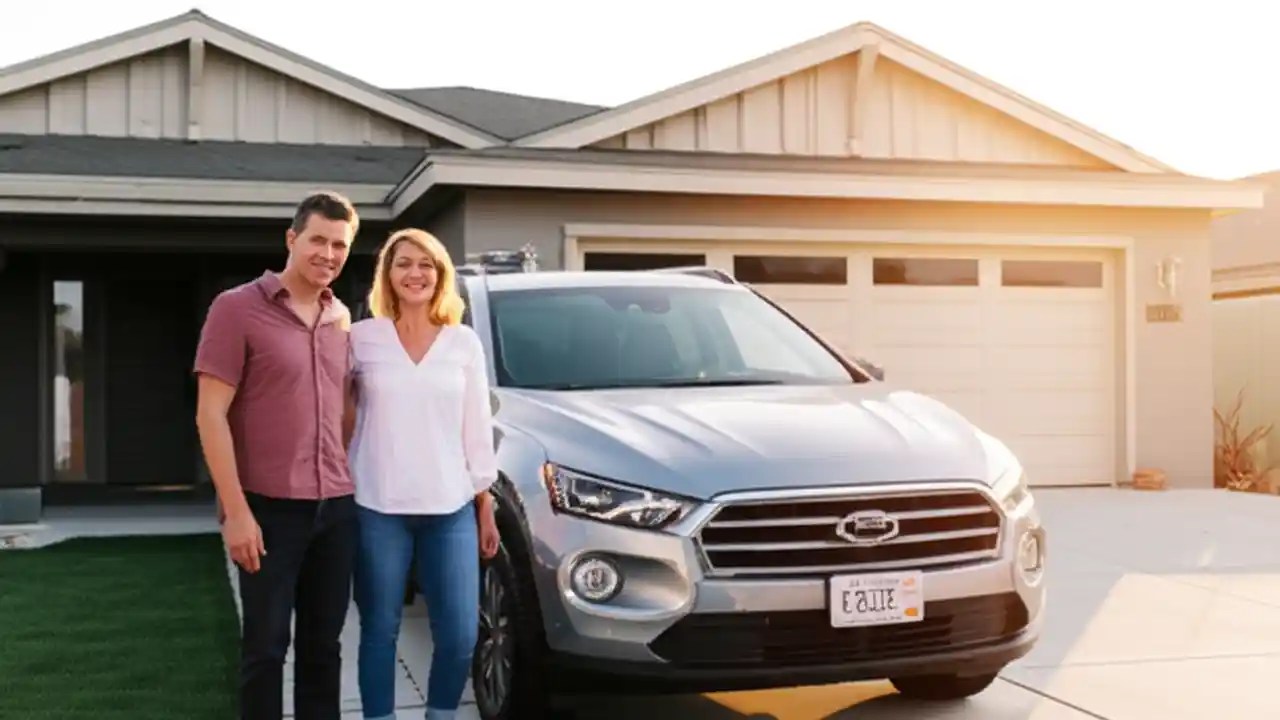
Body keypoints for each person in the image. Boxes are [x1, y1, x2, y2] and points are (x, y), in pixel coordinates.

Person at [194, 191, 361, 720]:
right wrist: (236, 510)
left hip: (335, 507)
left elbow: (344, 409)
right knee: (265, 651)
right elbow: (209, 415)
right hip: (268, 509)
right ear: (291, 239)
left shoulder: (341, 318)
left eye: (340, 245)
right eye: (318, 240)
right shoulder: (236, 308)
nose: (328, 254)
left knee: (324, 649)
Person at [343, 228, 500, 720]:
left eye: (426, 264)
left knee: (459, 635)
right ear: (387, 275)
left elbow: (477, 427)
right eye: (403, 263)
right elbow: (340, 416)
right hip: (377, 507)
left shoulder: (463, 342)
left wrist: (484, 504)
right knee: (380, 629)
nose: (415, 273)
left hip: (450, 507)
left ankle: (440, 714)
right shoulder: (361, 338)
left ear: (441, 275)